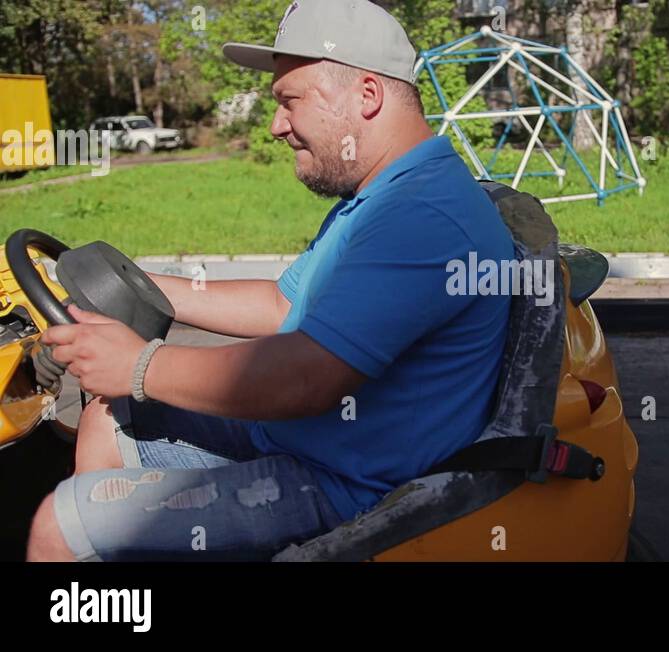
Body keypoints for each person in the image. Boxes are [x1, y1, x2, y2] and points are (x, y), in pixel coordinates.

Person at [26, 0, 514, 561]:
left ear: (368, 96)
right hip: (307, 440)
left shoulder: (421, 216)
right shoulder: (384, 193)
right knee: (105, 419)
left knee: (57, 526)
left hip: (349, 490)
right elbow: (283, 305)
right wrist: (130, 284)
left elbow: (303, 380)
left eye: (290, 101)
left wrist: (138, 365)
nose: (277, 126)